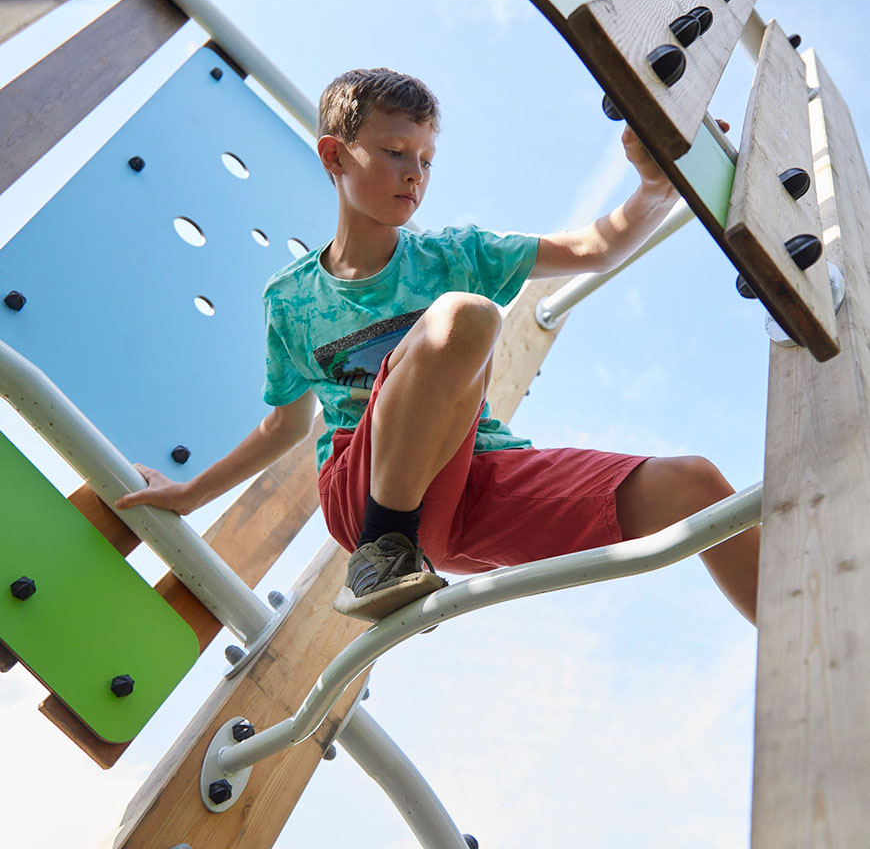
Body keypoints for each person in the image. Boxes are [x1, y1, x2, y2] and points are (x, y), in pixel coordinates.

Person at [116, 68, 759, 625]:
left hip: (473, 479)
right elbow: (284, 427)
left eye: (426, 160)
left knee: (697, 486)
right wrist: (189, 494)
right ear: (334, 156)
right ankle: (383, 547)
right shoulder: (292, 300)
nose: (414, 174)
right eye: (396, 152)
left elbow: (596, 248)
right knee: (465, 317)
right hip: (363, 486)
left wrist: (653, 188)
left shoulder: (451, 255)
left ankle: (818, 659)